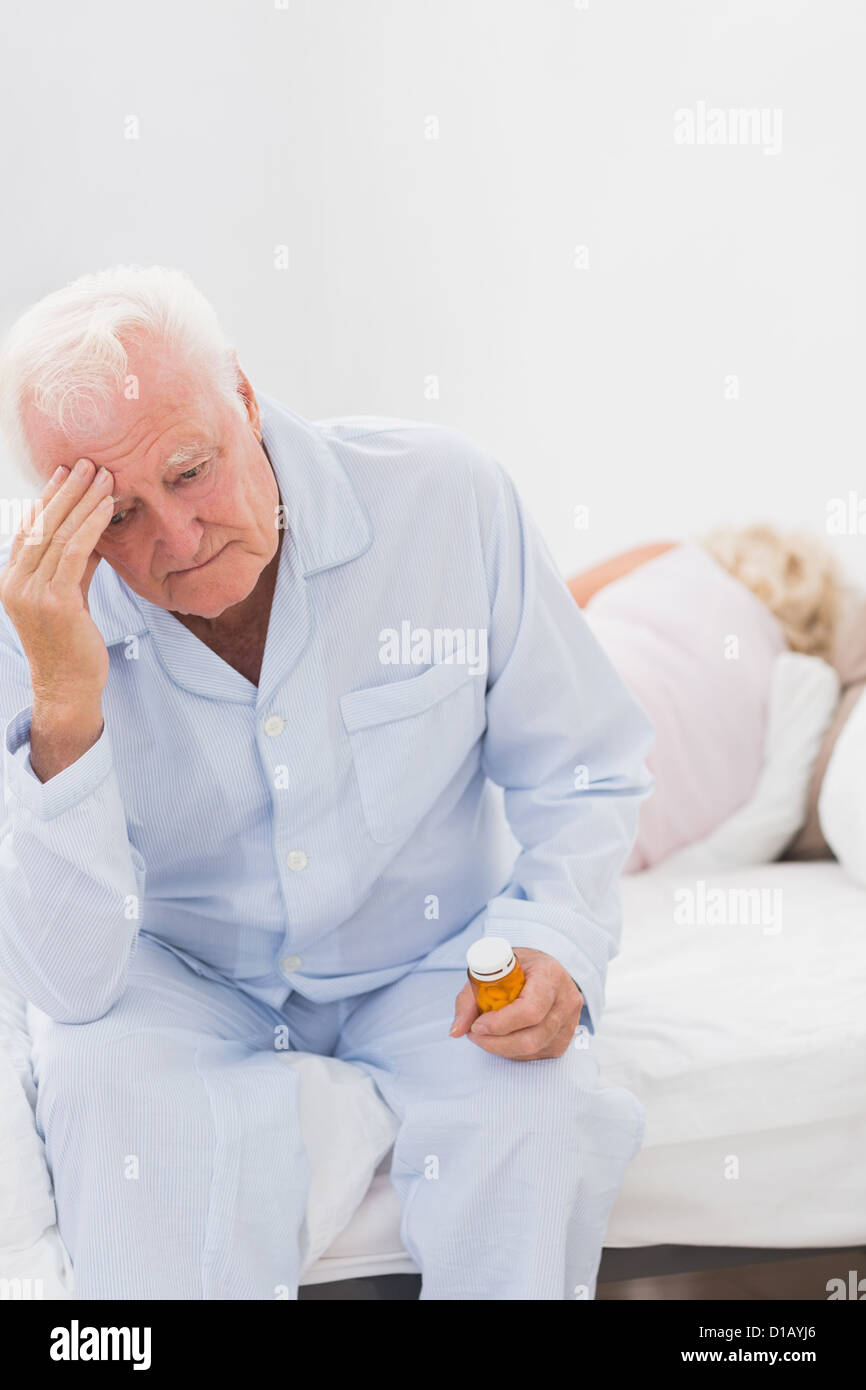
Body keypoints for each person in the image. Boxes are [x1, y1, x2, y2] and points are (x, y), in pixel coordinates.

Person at [0, 264, 655, 1301]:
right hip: (179, 978)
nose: (175, 539)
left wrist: (560, 938)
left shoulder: (445, 498)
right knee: (98, 1090)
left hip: (429, 956)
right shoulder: (33, 615)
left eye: (189, 472)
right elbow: (69, 986)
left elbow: (582, 765)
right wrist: (67, 701)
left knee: (541, 1109)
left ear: (246, 400)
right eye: (115, 516)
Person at [566, 526, 844, 872]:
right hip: (580, 847)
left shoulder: (671, 559)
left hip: (553, 702)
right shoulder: (780, 722)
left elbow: (537, 609)